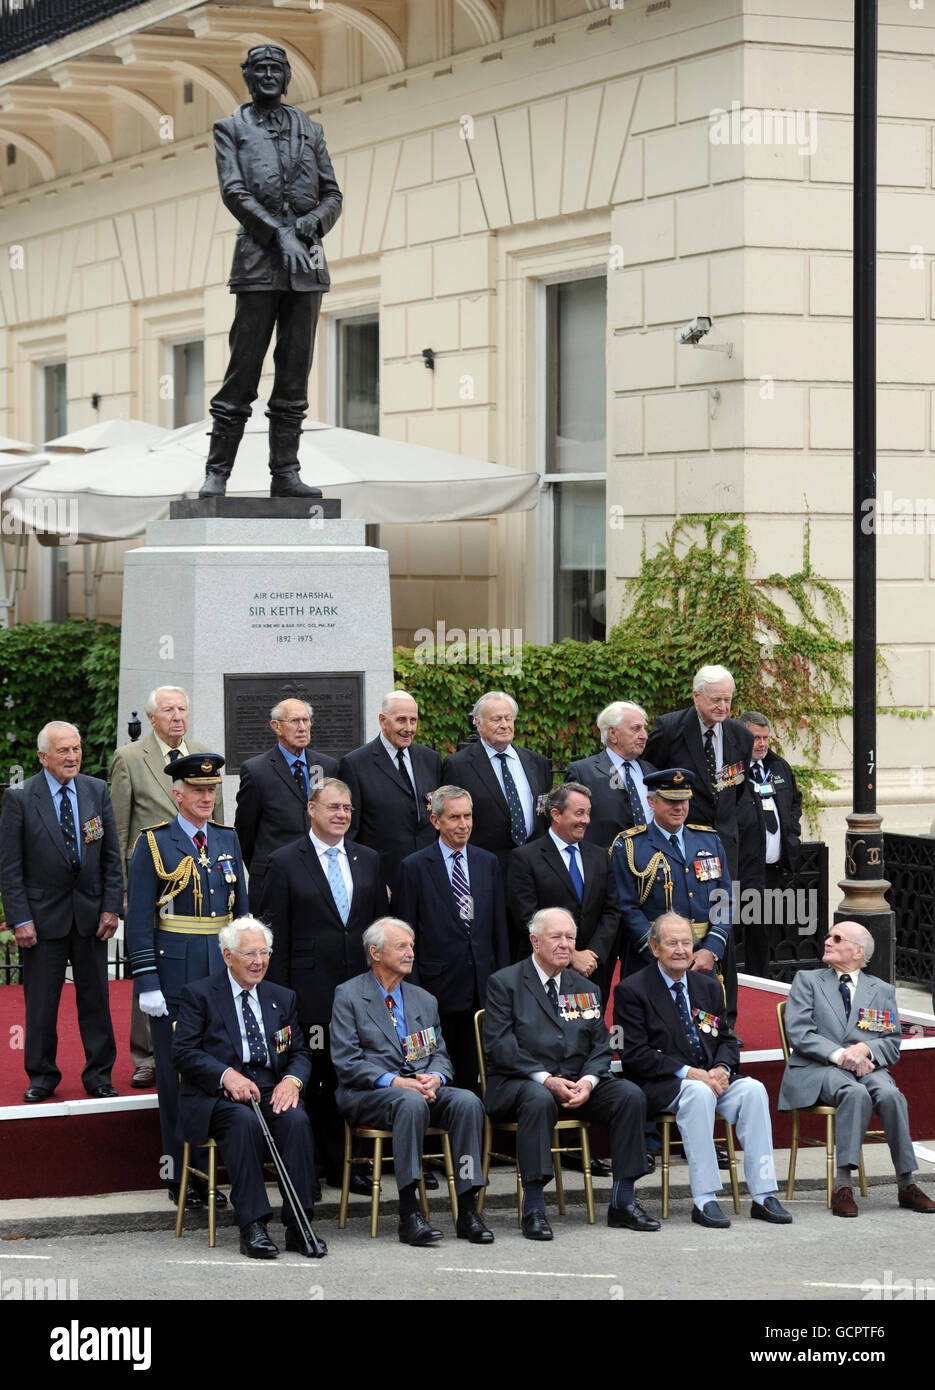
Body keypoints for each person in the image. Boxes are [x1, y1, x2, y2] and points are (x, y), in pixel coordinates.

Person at [200, 44, 342, 498]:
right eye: (258, 68)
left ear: (286, 77)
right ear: (246, 76)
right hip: (259, 265)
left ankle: (285, 473)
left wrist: (306, 226)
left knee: (295, 370)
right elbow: (234, 191)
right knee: (243, 369)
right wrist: (277, 234)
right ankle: (217, 472)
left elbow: (332, 195)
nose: (267, 75)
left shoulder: (310, 129)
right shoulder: (231, 128)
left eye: (275, 69)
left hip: (307, 267)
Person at [482, 907, 658, 1239]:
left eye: (571, 938)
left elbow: (601, 1046)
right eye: (556, 937)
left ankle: (623, 1201)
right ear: (534, 941)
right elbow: (500, 1046)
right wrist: (545, 1078)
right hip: (521, 1083)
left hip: (577, 1083)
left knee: (629, 1095)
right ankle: (533, 1207)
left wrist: (589, 1082)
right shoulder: (504, 983)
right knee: (538, 1099)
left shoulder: (586, 988)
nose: (566, 944)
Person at [125, 753, 247, 1209]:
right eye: (197, 791)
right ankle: (181, 1177)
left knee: (222, 1070)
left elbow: (241, 915)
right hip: (173, 977)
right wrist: (147, 981)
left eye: (211, 791)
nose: (205, 798)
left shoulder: (227, 840)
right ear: (177, 794)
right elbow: (139, 919)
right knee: (177, 1083)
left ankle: (218, 1169)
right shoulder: (154, 844)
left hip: (220, 975)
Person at [615, 912, 791, 1228]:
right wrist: (688, 1072)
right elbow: (635, 1055)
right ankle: (705, 1198)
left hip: (710, 1079)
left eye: (687, 943)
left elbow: (725, 1037)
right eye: (672, 944)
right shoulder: (632, 990)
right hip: (664, 1084)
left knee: (753, 1090)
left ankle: (764, 1194)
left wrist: (723, 1067)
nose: (681, 950)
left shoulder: (707, 987)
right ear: (655, 948)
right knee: (697, 1093)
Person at [331, 918, 493, 1246]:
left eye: (412, 946)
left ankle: (466, 1207)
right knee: (410, 1101)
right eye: (402, 946)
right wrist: (395, 1082)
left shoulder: (423, 999)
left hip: (421, 1090)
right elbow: (347, 1063)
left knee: (467, 1102)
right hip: (369, 1094)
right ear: (375, 953)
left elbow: (440, 1055)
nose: (411, 953)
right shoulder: (348, 995)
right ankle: (410, 1211)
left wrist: (437, 1077)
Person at [173, 917, 326, 1259]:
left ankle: (299, 1224)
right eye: (250, 954)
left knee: (296, 1121)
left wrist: (292, 1080)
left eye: (265, 952)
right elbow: (183, 1053)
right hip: (217, 1096)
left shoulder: (281, 997)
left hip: (271, 1088)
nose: (259, 961)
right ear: (227, 956)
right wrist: (226, 1075)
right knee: (244, 1123)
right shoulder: (200, 995)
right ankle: (252, 1225)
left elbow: (299, 1050)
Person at [261, 777, 385, 1182]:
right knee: (312, 1076)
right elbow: (274, 937)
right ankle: (308, 1165)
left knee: (351, 1074)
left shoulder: (367, 858)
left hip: (359, 994)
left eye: (347, 808)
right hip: (308, 994)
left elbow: (377, 928)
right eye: (333, 807)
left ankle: (346, 1165)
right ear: (311, 810)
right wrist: (279, 1001)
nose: (341, 815)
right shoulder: (283, 861)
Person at [0, 721, 122, 1102]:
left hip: (89, 916)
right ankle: (42, 1075)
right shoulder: (20, 796)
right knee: (41, 1003)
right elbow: (9, 865)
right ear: (42, 757)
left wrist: (110, 907)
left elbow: (111, 857)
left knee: (96, 1001)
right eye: (63, 751)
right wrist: (20, 917)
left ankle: (99, 1074)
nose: (72, 757)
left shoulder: (96, 789)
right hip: (41, 919)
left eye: (76, 749)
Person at [779, 920, 935, 1217]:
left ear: (858, 951)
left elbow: (891, 1042)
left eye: (837, 938)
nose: (828, 941)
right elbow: (800, 1033)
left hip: (867, 1068)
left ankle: (907, 1184)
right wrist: (841, 1055)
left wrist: (866, 1049)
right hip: (817, 1067)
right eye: (828, 936)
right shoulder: (808, 980)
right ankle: (843, 1185)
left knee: (892, 1096)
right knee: (855, 1093)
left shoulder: (881, 990)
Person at [110, 684, 224, 1088]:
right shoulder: (129, 758)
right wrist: (121, 890)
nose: (178, 716)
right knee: (151, 961)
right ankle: (147, 1056)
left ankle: (200, 1049)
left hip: (197, 884)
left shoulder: (201, 755)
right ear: (152, 717)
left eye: (183, 709)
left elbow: (218, 824)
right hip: (152, 879)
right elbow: (120, 830)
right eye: (169, 710)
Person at [394, 786, 510, 1090]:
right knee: (434, 1076)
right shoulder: (414, 867)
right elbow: (406, 935)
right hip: (435, 992)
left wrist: (501, 982)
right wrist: (413, 993)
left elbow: (498, 928)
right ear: (435, 821)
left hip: (481, 990)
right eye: (454, 817)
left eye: (468, 816)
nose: (464, 824)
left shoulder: (488, 862)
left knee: (476, 1075)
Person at [611, 769, 734, 999]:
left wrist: (711, 949)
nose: (679, 807)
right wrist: (661, 952)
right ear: (652, 801)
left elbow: (724, 899)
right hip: (650, 961)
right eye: (670, 801)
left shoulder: (709, 840)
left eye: (684, 800)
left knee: (704, 1027)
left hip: (701, 959)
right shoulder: (629, 847)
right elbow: (626, 908)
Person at [507, 783, 621, 1000]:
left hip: (593, 970)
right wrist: (571, 956)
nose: (585, 820)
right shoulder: (525, 858)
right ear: (556, 815)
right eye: (579, 813)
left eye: (588, 813)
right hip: (546, 971)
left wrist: (592, 956)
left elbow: (612, 910)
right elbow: (527, 917)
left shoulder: (600, 856)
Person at [644, 665, 754, 883]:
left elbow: (737, 788)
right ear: (696, 696)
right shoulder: (670, 729)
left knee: (722, 910)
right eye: (716, 700)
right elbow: (649, 777)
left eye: (727, 700)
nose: (723, 706)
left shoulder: (741, 736)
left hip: (724, 844)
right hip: (680, 842)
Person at [235, 697, 338, 913]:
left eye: (306, 721)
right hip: (273, 878)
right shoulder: (256, 771)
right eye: (294, 721)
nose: (302, 727)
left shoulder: (327, 766)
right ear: (276, 726)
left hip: (321, 876)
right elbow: (245, 832)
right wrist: (265, 866)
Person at [338, 691, 441, 898]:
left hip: (430, 877)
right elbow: (350, 833)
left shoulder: (430, 759)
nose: (409, 728)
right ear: (382, 720)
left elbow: (438, 818)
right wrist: (369, 880)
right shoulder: (355, 764)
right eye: (401, 720)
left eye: (414, 720)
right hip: (384, 882)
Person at [440, 692, 552, 880]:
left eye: (509, 718)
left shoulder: (536, 762)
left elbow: (545, 813)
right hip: (485, 869)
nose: (504, 725)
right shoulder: (458, 765)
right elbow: (449, 820)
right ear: (478, 722)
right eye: (496, 719)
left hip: (534, 867)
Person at [736, 710, 803, 978]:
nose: (762, 744)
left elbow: (795, 801)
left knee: (762, 938)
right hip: (739, 869)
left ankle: (759, 988)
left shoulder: (778, 766)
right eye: (755, 738)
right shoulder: (730, 772)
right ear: (741, 738)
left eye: (765, 738)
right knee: (728, 934)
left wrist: (792, 831)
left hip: (770, 872)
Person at [565, 701, 656, 847]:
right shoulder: (583, 772)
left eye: (644, 728)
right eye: (636, 729)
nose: (644, 735)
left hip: (651, 859)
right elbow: (570, 825)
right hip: (604, 862)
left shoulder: (652, 771)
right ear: (613, 734)